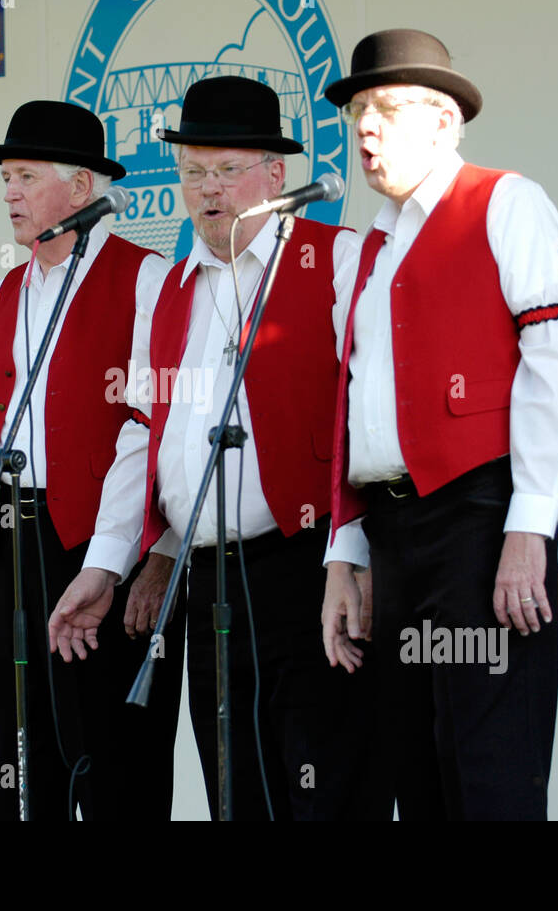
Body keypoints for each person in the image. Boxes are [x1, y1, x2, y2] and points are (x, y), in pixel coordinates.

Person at [50, 76, 387, 821]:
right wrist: (106, 563)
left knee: (328, 789)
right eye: (193, 172)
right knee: (236, 792)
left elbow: (367, 413)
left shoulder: (335, 257)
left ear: (276, 173)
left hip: (310, 570)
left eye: (227, 170)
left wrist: (352, 550)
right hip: (211, 588)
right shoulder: (172, 288)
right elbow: (144, 435)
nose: (208, 190)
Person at [321, 29, 558, 820]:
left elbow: (557, 363)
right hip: (396, 535)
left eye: (388, 109)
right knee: (419, 770)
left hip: (482, 517)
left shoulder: (505, 200)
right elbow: (354, 409)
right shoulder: (366, 249)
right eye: (360, 111)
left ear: (442, 121)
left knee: (491, 771)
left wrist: (528, 526)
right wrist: (346, 552)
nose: (366, 127)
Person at [0, 101, 182, 820]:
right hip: (18, 539)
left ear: (81, 189)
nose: (8, 193)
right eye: (5, 178)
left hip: (109, 545)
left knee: (114, 761)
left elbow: (162, 431)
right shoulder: (3, 294)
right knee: (21, 756)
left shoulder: (145, 279)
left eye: (24, 176)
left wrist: (157, 554)